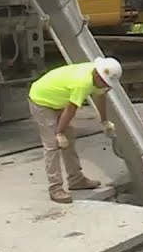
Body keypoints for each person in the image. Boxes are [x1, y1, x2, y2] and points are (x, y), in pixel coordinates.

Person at [27, 56, 123, 204]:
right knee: (52, 144)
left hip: (58, 98)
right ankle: (55, 188)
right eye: (105, 83)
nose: (106, 86)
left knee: (69, 139)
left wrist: (104, 121)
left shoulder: (99, 76)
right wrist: (59, 132)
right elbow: (71, 109)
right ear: (98, 76)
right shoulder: (83, 82)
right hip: (41, 100)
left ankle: (76, 179)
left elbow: (100, 97)